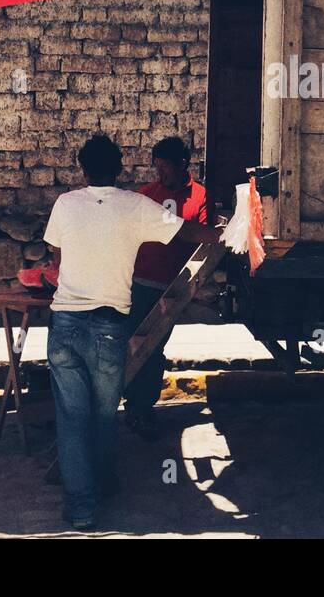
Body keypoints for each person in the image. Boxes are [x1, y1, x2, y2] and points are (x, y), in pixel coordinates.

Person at [43, 134, 219, 531]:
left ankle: (81, 509)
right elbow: (190, 233)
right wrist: (232, 234)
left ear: (82, 168)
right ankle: (103, 485)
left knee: (72, 419)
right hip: (108, 326)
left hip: (65, 324)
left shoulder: (65, 205)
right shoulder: (137, 205)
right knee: (104, 415)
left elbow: (57, 258)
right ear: (119, 168)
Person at [125, 136, 209, 440]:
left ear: (182, 164)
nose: (160, 173)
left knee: (153, 348)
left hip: (172, 288)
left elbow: (201, 236)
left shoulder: (200, 196)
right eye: (156, 167)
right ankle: (134, 407)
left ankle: (142, 407)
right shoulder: (146, 195)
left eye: (165, 167)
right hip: (139, 283)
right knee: (134, 344)